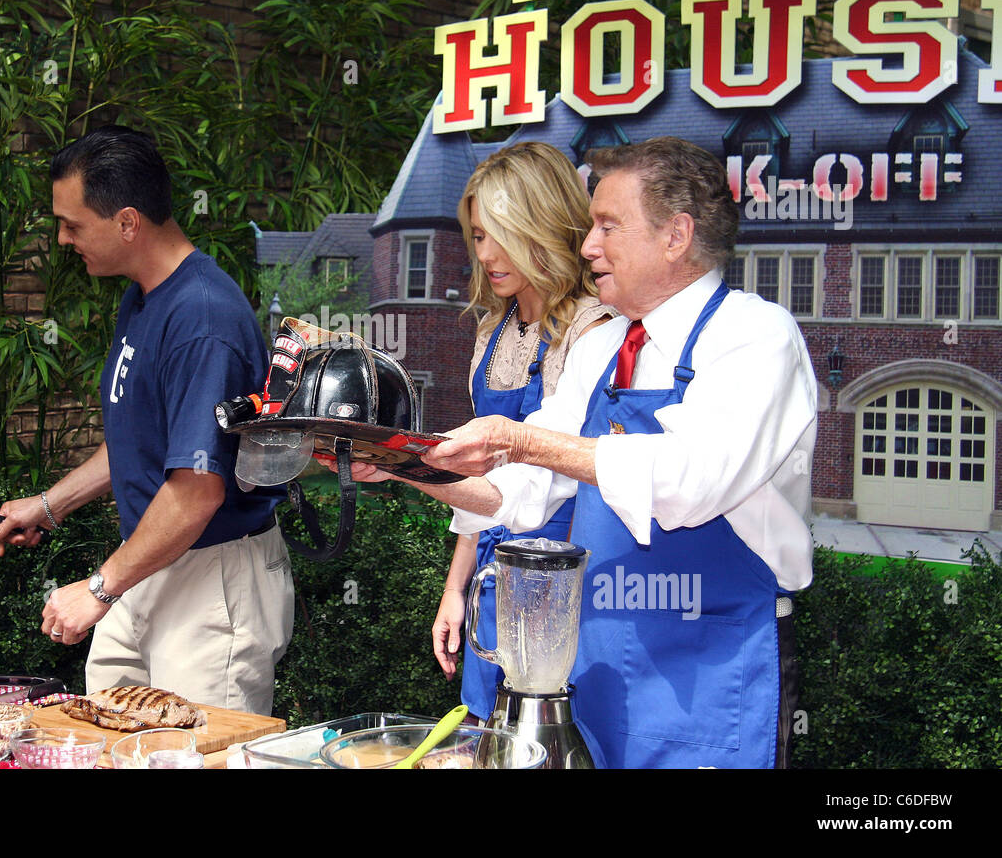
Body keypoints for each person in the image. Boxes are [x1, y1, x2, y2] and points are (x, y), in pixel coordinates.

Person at [344, 137, 816, 768]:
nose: (588, 246)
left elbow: (689, 483)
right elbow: (520, 496)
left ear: (676, 235)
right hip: (593, 667)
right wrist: (398, 463)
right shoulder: (603, 347)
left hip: (709, 666)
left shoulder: (755, 336)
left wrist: (519, 438)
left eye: (608, 226)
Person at [0, 126, 294, 714]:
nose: (62, 238)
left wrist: (99, 589)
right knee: (106, 740)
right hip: (148, 559)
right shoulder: (144, 295)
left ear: (127, 223)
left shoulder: (203, 319)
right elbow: (141, 442)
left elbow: (197, 491)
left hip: (213, 580)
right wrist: (47, 506)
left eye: (72, 224)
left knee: (198, 757)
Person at [432, 142, 612, 723]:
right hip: (493, 569)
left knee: (545, 732)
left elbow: (535, 487)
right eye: (479, 236)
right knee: (487, 727)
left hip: (561, 577)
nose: (486, 253)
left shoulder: (592, 329)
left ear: (549, 226)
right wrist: (455, 587)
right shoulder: (493, 329)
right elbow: (483, 483)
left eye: (502, 233)